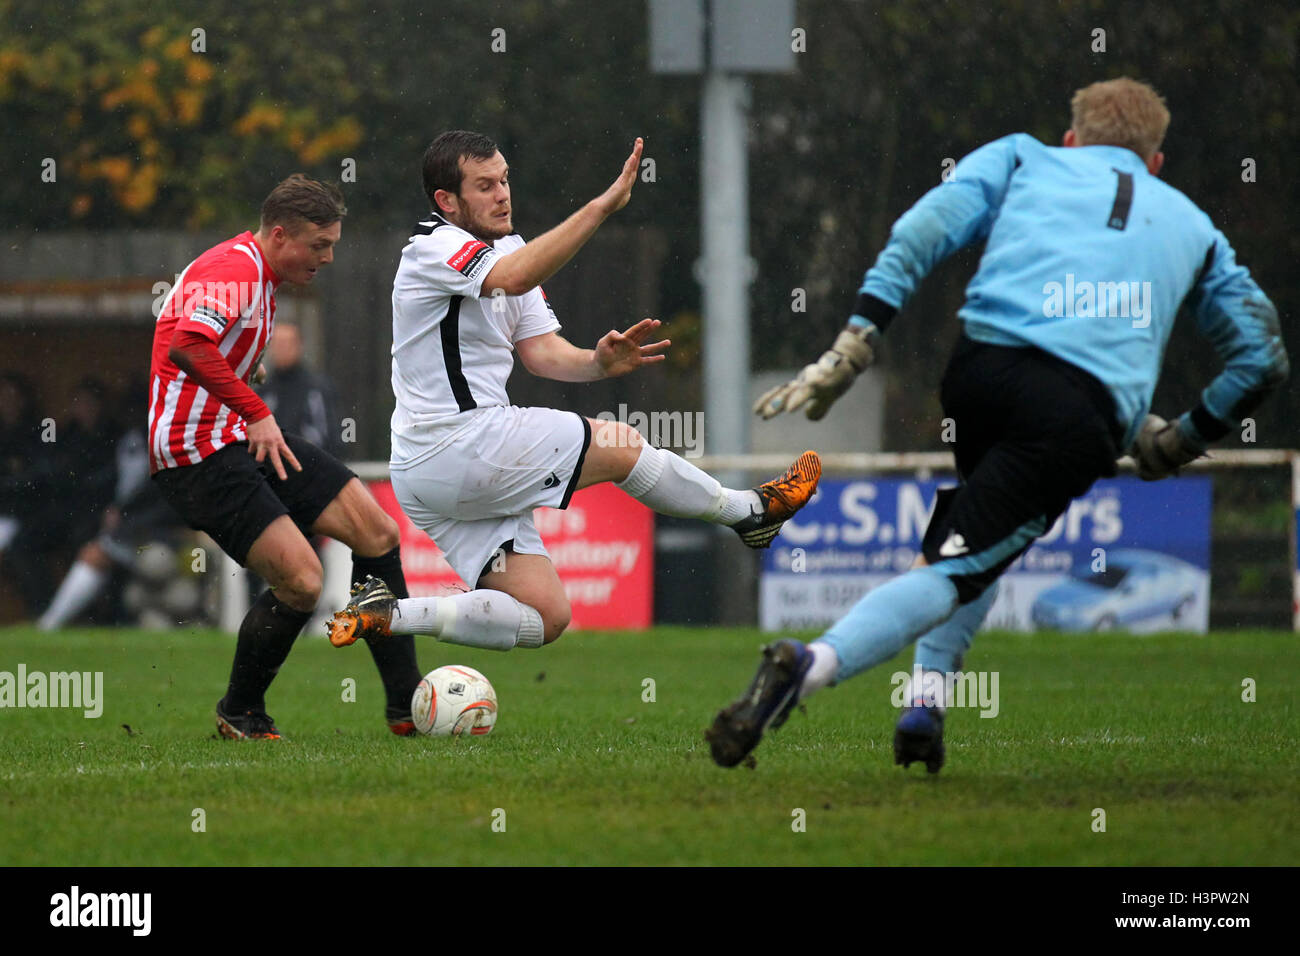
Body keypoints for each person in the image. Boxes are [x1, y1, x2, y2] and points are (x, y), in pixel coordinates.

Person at [706, 77, 1289, 773]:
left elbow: (922, 229)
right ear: (1155, 161)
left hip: (979, 374)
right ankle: (807, 666)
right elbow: (1262, 357)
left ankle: (925, 700)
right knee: (962, 562)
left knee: (976, 546)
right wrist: (1185, 437)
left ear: (1071, 139)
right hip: (1075, 413)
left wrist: (858, 338)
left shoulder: (1022, 157)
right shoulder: (1193, 225)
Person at [325, 130, 821, 651]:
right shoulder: (434, 246)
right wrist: (602, 206)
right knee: (622, 446)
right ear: (446, 201)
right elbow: (512, 279)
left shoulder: (507, 249)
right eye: (485, 186)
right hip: (458, 443)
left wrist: (598, 363)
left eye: (505, 180)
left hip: (432, 472)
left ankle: (391, 612)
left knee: (545, 616)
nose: (502, 194)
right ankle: (750, 513)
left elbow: (541, 353)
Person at [148, 173, 422, 739]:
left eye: (332, 246)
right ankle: (239, 711)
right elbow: (186, 343)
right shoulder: (236, 270)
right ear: (279, 235)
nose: (326, 258)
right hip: (195, 454)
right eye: (318, 246)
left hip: (233, 436)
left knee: (377, 534)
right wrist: (253, 406)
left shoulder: (254, 271)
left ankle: (409, 708)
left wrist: (242, 370)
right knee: (302, 582)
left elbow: (182, 332)